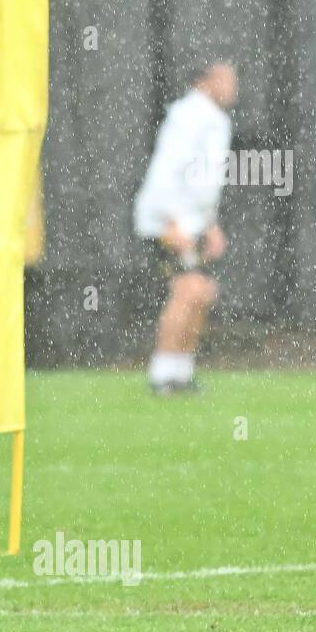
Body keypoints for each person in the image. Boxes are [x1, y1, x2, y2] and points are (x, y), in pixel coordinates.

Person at [134, 62, 237, 394]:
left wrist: (210, 224)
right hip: (166, 219)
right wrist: (171, 221)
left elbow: (203, 180)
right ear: (205, 81)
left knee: (203, 293)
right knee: (188, 291)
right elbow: (168, 169)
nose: (233, 85)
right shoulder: (188, 116)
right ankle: (162, 375)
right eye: (225, 78)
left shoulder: (214, 120)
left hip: (191, 221)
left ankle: (180, 372)